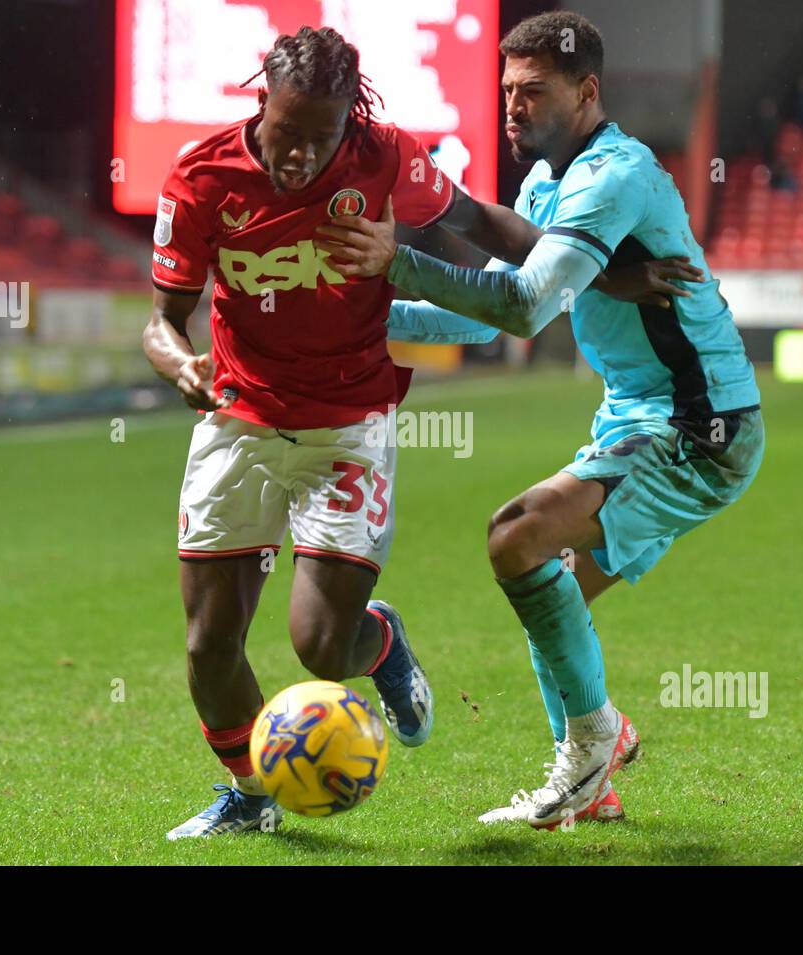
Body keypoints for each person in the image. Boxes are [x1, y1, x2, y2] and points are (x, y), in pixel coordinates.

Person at [142, 24, 691, 838]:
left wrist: (608, 273)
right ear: (264, 103)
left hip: (348, 425)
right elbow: (162, 320)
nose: (302, 156)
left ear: (348, 121)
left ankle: (383, 644)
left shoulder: (384, 156)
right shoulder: (200, 175)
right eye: (289, 134)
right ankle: (251, 793)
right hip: (239, 422)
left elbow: (485, 224)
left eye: (321, 138)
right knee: (207, 645)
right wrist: (179, 363)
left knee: (322, 646)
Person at [317, 11, 764, 829]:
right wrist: (362, 315)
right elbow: (481, 322)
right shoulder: (544, 188)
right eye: (506, 92)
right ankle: (592, 778)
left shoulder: (616, 175)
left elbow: (523, 306)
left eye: (533, 92)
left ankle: (593, 744)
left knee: (515, 534)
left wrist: (398, 259)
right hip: (638, 419)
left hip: (700, 425)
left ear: (587, 91)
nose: (513, 107)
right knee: (548, 591)